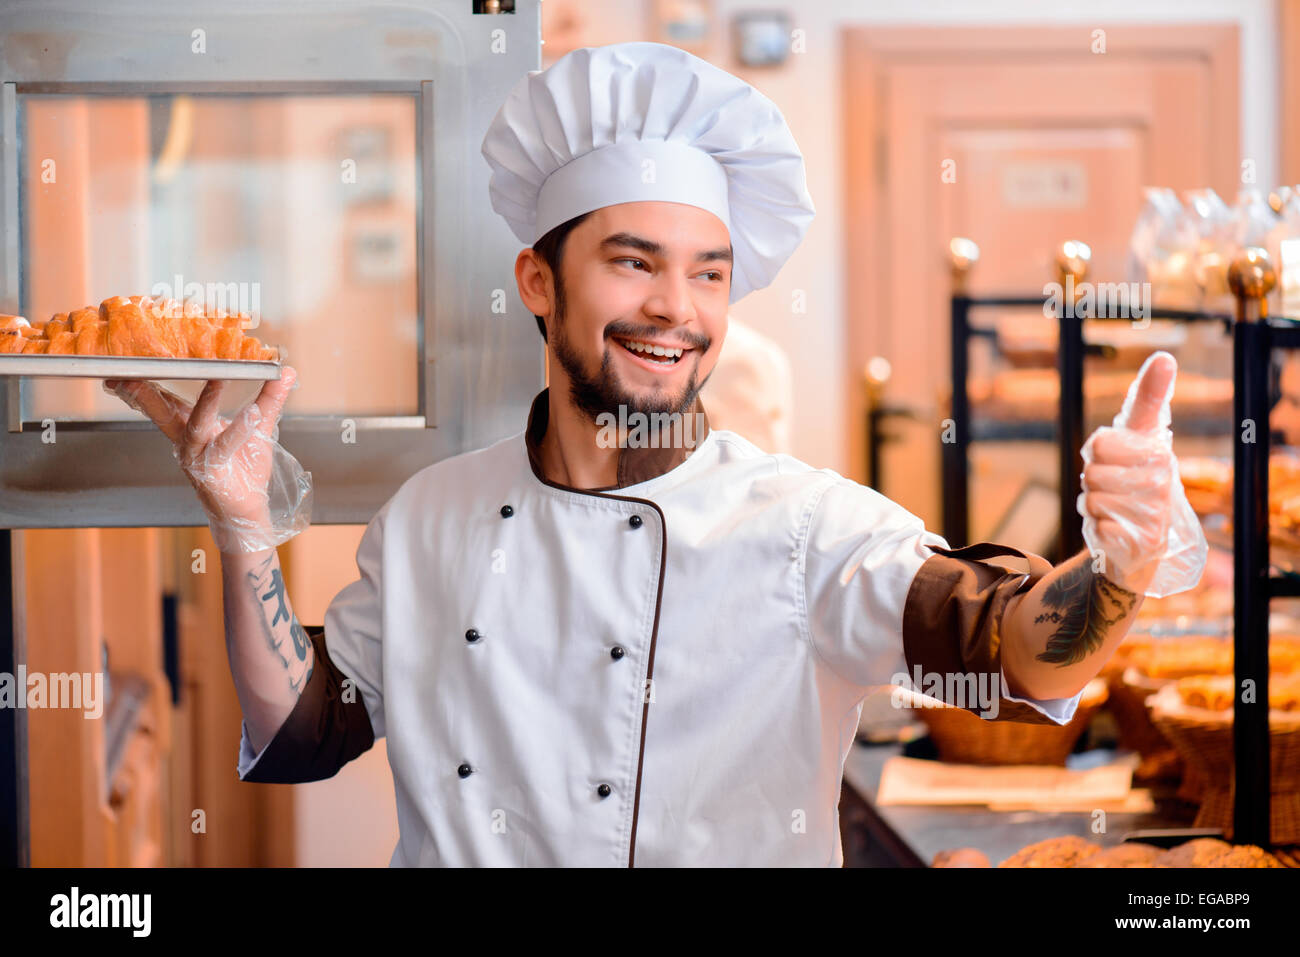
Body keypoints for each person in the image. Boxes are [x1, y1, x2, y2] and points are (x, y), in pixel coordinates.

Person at [105, 42, 1204, 867]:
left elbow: (1016, 657)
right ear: (540, 281)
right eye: (633, 263)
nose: (675, 309)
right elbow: (300, 731)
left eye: (709, 273)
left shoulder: (806, 527)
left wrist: (1119, 570)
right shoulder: (431, 517)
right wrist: (243, 520)